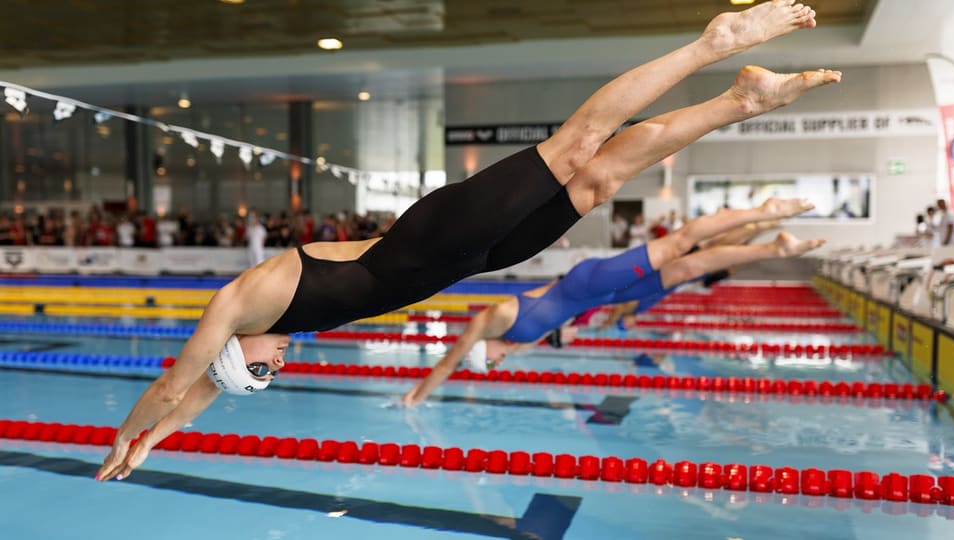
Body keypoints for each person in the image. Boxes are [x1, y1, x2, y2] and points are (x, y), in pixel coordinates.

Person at [97, 0, 834, 482]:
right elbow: (194, 400)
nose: (278, 367)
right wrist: (158, 443)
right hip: (469, 260)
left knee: (577, 146)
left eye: (262, 373)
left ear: (235, 353)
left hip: (431, 241)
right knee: (599, 181)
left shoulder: (240, 305)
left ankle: (714, 41)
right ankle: (740, 100)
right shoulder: (268, 330)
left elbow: (171, 387)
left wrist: (123, 441)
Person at [401, 200, 825, 405]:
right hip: (604, 295)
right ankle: (774, 249)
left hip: (589, 280)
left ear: (484, 349)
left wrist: (415, 397)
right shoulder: (519, 342)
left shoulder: (493, 320)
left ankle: (761, 211)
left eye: (490, 362)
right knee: (688, 269)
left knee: (679, 243)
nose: (499, 363)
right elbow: (563, 324)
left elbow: (448, 361)